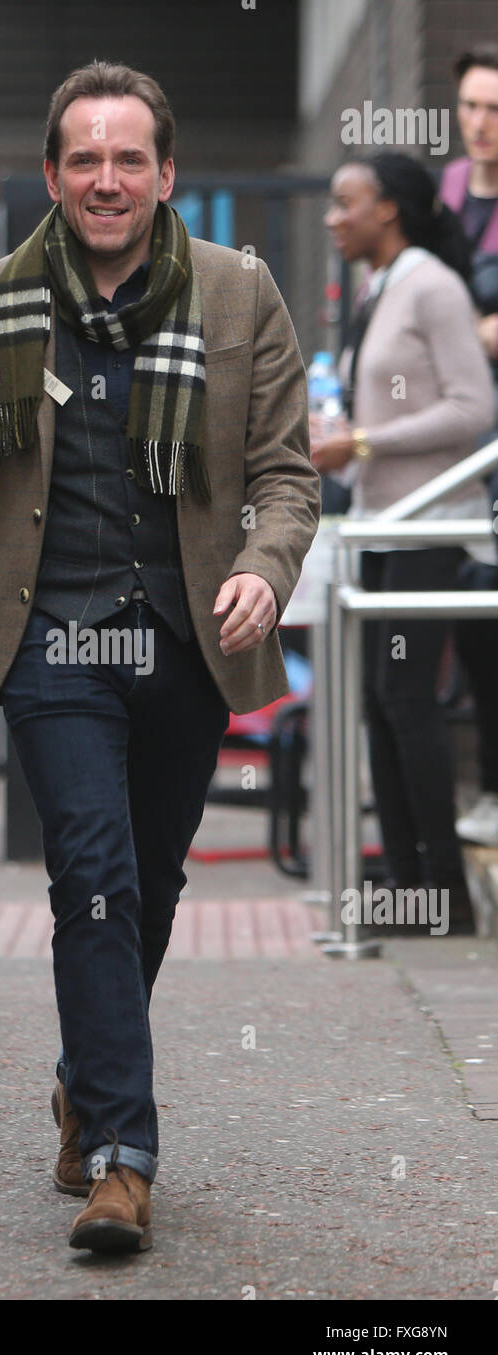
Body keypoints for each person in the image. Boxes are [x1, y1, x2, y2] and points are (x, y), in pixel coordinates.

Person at [0, 60, 319, 1253]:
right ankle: (123, 1161)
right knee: (92, 877)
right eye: (84, 157)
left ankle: (86, 1080)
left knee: (154, 885)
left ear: (166, 173)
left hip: (186, 639)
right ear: (52, 175)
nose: (106, 178)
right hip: (51, 642)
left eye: (128, 157)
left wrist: (262, 566)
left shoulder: (240, 293)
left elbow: (288, 474)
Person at [313, 152, 494, 929]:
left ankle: (445, 895)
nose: (332, 217)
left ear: (387, 208)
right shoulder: (376, 287)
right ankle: (404, 881)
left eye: (344, 202)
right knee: (377, 704)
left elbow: (473, 409)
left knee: (403, 697)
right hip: (381, 523)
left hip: (431, 524)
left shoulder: (431, 286)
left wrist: (363, 444)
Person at [439, 45, 498, 848]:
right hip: (458, 437)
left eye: (496, 111)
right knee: (469, 608)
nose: (481, 127)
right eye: (471, 110)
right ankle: (487, 782)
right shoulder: (450, 192)